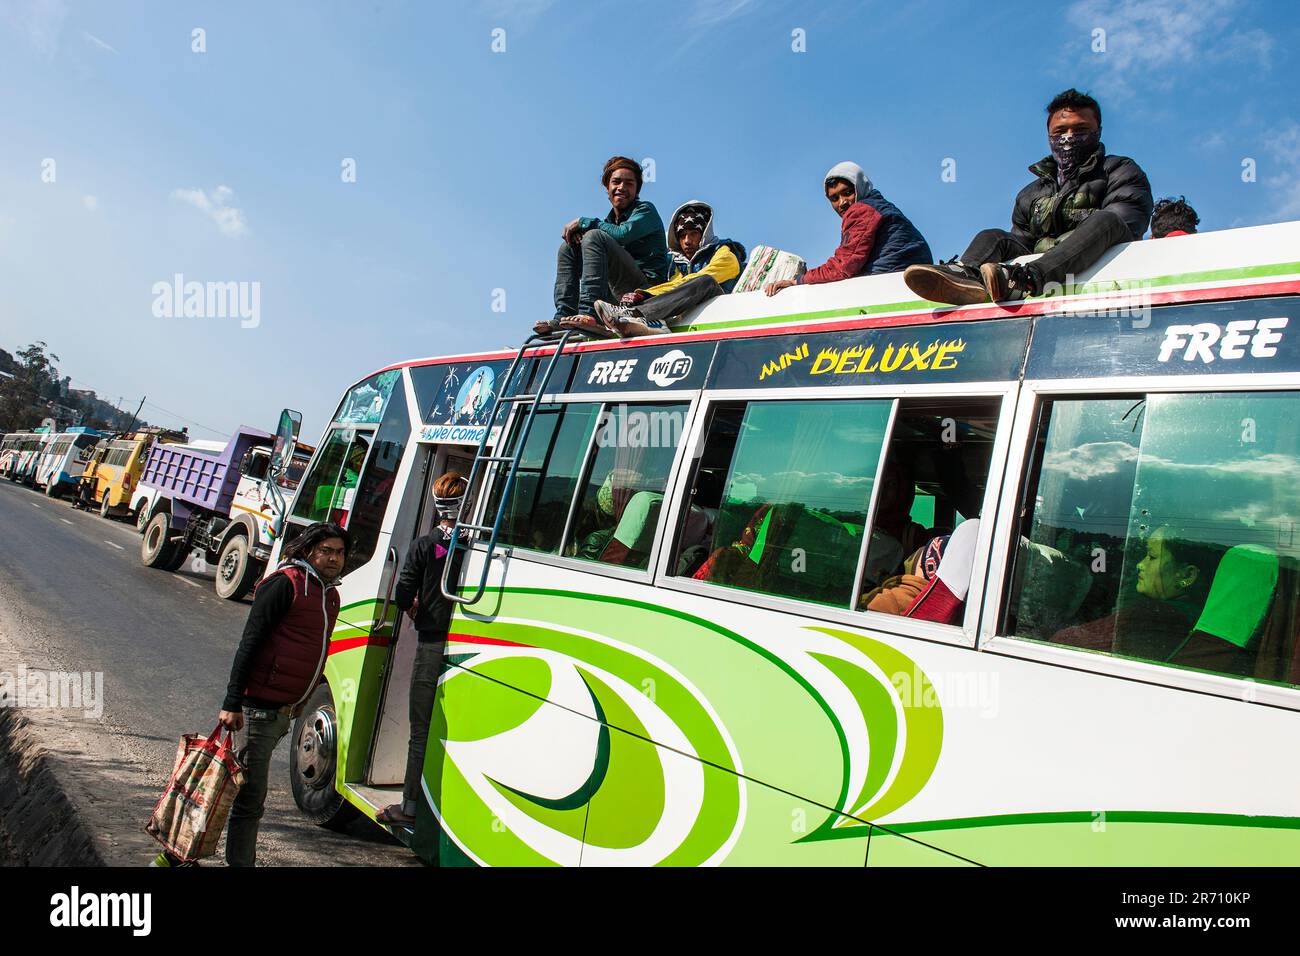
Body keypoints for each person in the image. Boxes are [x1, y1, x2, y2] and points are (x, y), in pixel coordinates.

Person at [150, 521, 349, 867]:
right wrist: (232, 702)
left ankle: (175, 856)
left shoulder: (328, 594)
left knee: (231, 787)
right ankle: (213, 861)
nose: (334, 558)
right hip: (257, 708)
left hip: (283, 710)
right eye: (326, 551)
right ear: (308, 551)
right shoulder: (286, 584)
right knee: (249, 797)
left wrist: (302, 701)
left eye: (340, 553)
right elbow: (250, 643)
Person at [903, 89, 1153, 305]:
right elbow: (1022, 243)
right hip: (1037, 260)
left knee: (1106, 220)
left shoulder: (1120, 170)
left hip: (1094, 261)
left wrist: (1043, 261)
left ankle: (1025, 279)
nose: (1069, 137)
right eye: (1060, 131)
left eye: (1080, 129)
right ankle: (966, 277)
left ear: (1098, 131)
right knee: (994, 236)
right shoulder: (1032, 192)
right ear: (1049, 136)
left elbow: (1124, 226)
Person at [376, 472, 469, 827]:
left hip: (432, 643)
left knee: (421, 729)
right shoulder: (472, 547)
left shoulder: (422, 546)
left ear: (436, 504)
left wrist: (415, 609)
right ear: (467, 505)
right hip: (466, 641)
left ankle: (411, 806)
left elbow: (402, 594)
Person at [535, 156, 670, 338]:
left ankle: (588, 312)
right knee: (568, 248)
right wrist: (579, 240)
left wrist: (585, 223)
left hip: (644, 292)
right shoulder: (608, 223)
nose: (621, 187)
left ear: (637, 190)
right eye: (616, 182)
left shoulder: (645, 211)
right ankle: (563, 315)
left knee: (594, 235)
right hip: (614, 297)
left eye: (629, 183)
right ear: (607, 188)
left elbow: (623, 234)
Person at [765, 161, 932, 296]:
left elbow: (843, 266)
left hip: (891, 282)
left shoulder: (862, 210)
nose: (842, 202)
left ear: (859, 187)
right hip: (908, 278)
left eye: (847, 192)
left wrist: (797, 281)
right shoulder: (878, 205)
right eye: (834, 198)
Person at [1052, 526, 1219, 660]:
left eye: (1152, 557)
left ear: (1187, 575)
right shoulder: (1200, 617)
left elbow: (1063, 642)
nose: (1140, 564)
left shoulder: (1153, 616)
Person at [593, 200, 746, 337]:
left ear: (705, 234)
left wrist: (646, 295)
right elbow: (674, 286)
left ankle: (637, 313)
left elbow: (695, 280)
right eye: (682, 235)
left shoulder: (726, 253)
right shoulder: (677, 264)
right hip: (688, 315)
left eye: (693, 234)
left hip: (720, 309)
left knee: (705, 281)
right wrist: (640, 295)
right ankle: (652, 322)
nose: (687, 241)